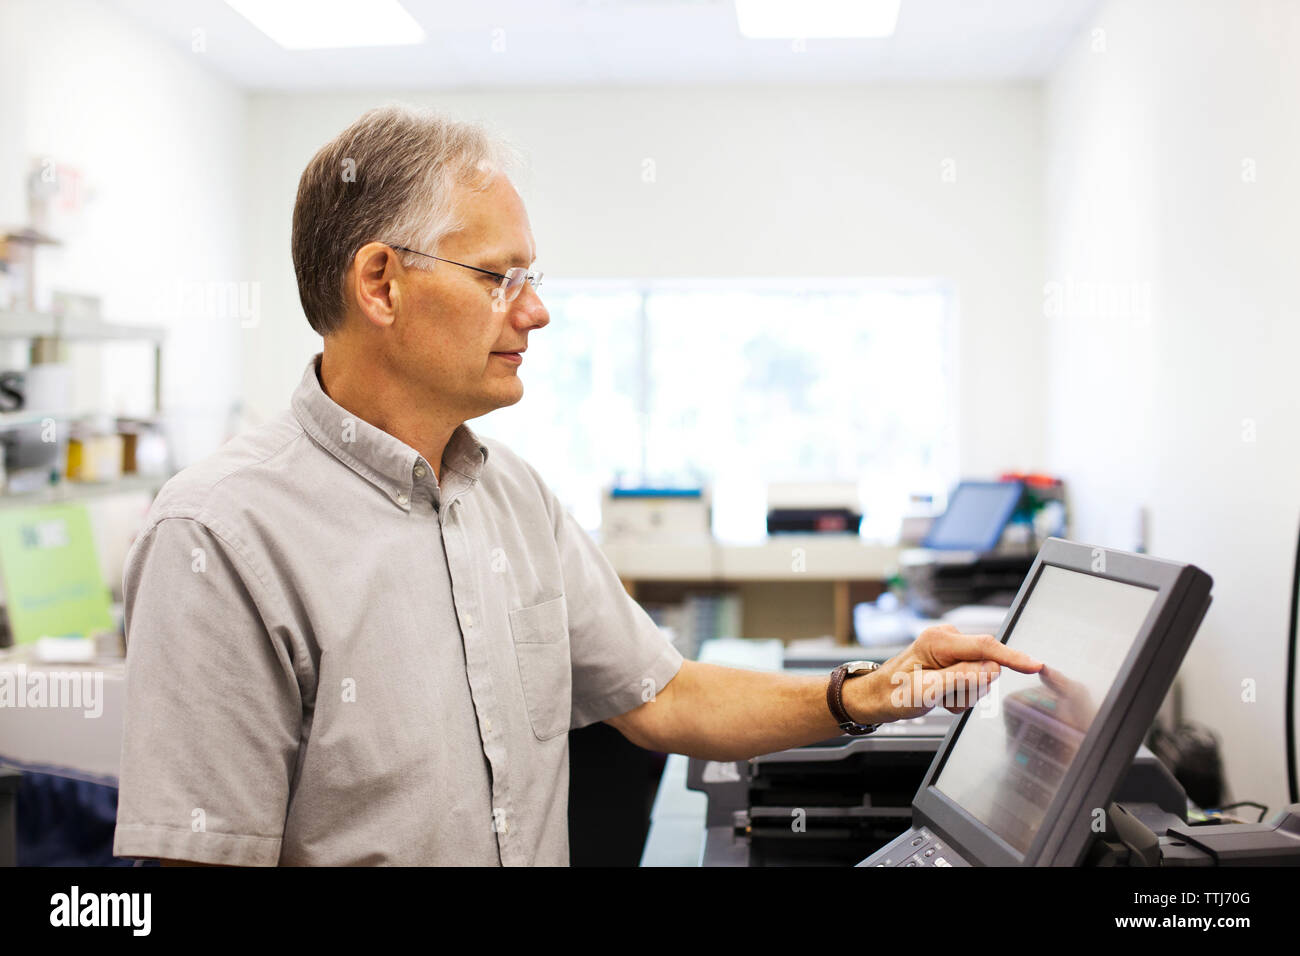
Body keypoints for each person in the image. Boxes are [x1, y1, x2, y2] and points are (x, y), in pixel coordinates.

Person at [113, 104, 1040, 866]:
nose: (538, 310)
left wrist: (863, 693)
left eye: (534, 277)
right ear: (381, 284)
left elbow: (665, 696)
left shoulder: (511, 497)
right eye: (501, 277)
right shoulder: (222, 535)